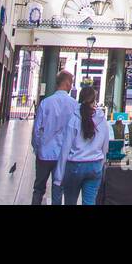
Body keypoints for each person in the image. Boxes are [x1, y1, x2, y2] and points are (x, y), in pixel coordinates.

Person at [30, 69, 78, 205]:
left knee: (38, 188)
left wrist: (37, 148)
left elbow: (37, 129)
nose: (71, 86)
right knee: (58, 189)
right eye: (71, 83)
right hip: (63, 155)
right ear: (67, 83)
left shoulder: (46, 103)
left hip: (44, 153)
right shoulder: (74, 105)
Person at [60, 85, 110, 205]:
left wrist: (59, 174)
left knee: (70, 201)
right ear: (94, 100)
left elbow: (66, 147)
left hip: (75, 164)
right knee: (89, 202)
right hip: (95, 164)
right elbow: (105, 145)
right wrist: (101, 163)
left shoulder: (74, 118)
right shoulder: (102, 119)